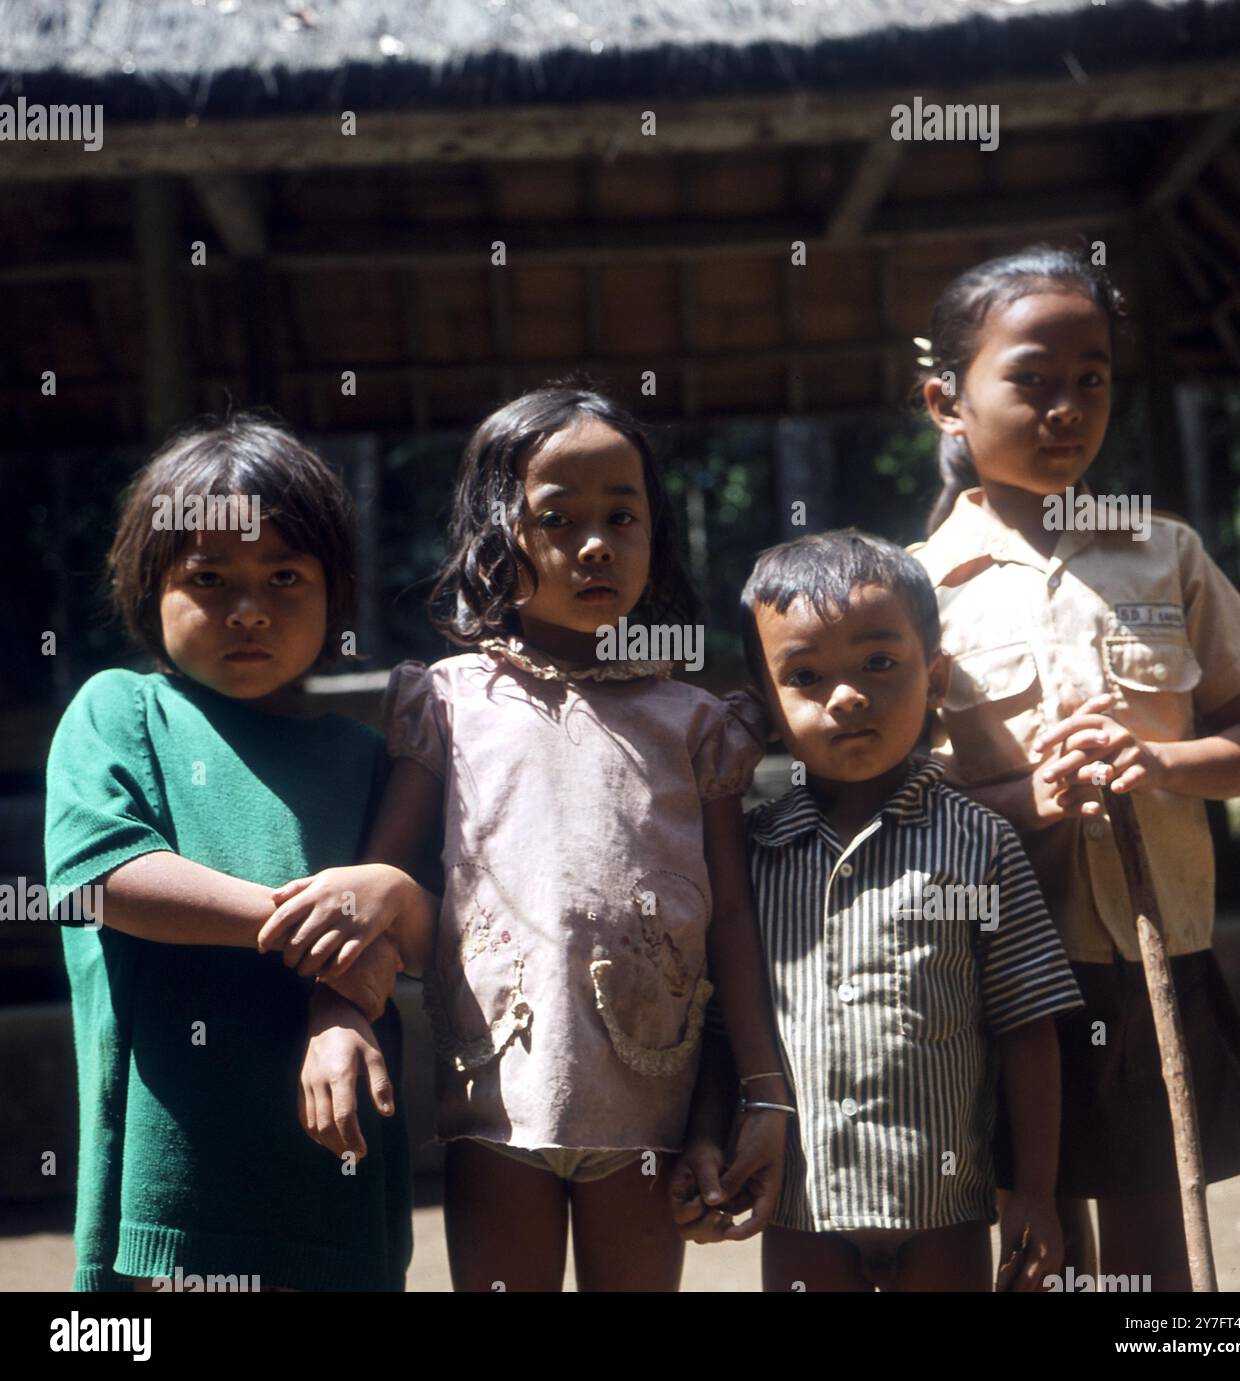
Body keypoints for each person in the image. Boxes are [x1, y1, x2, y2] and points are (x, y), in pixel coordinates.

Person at [285, 385, 788, 1291]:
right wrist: (335, 1013)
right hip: (495, 1094)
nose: (595, 542)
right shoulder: (448, 701)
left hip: (649, 1094)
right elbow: (377, 881)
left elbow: (732, 919)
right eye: (557, 517)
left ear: (654, 534)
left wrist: (763, 1086)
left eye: (621, 515)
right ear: (495, 536)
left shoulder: (694, 724)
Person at [910, 244, 1240, 1290]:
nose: (1065, 407)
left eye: (1091, 378)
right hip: (986, 967)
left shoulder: (1169, 553)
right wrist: (1022, 799)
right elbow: (897, 804)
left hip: (1148, 954)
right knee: (1036, 1247)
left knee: (1153, 1239)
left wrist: (1157, 760)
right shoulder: (909, 591)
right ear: (946, 401)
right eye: (1030, 379)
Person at [44, 414, 413, 1291]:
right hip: (172, 1191)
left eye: (286, 575)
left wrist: (354, 977)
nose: (249, 609)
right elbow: (103, 877)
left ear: (336, 592)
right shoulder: (121, 711)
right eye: (208, 578)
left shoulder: (363, 757)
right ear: (149, 589)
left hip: (337, 1185)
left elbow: (410, 933)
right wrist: (314, 923)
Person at [673, 530, 1083, 1291]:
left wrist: (1034, 1191)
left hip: (943, 1211)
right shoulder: (753, 859)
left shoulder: (979, 843)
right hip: (798, 1211)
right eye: (805, 675)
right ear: (764, 705)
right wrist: (703, 1136)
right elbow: (724, 1027)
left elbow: (1028, 1025)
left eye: (879, 664)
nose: (848, 694)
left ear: (936, 679)